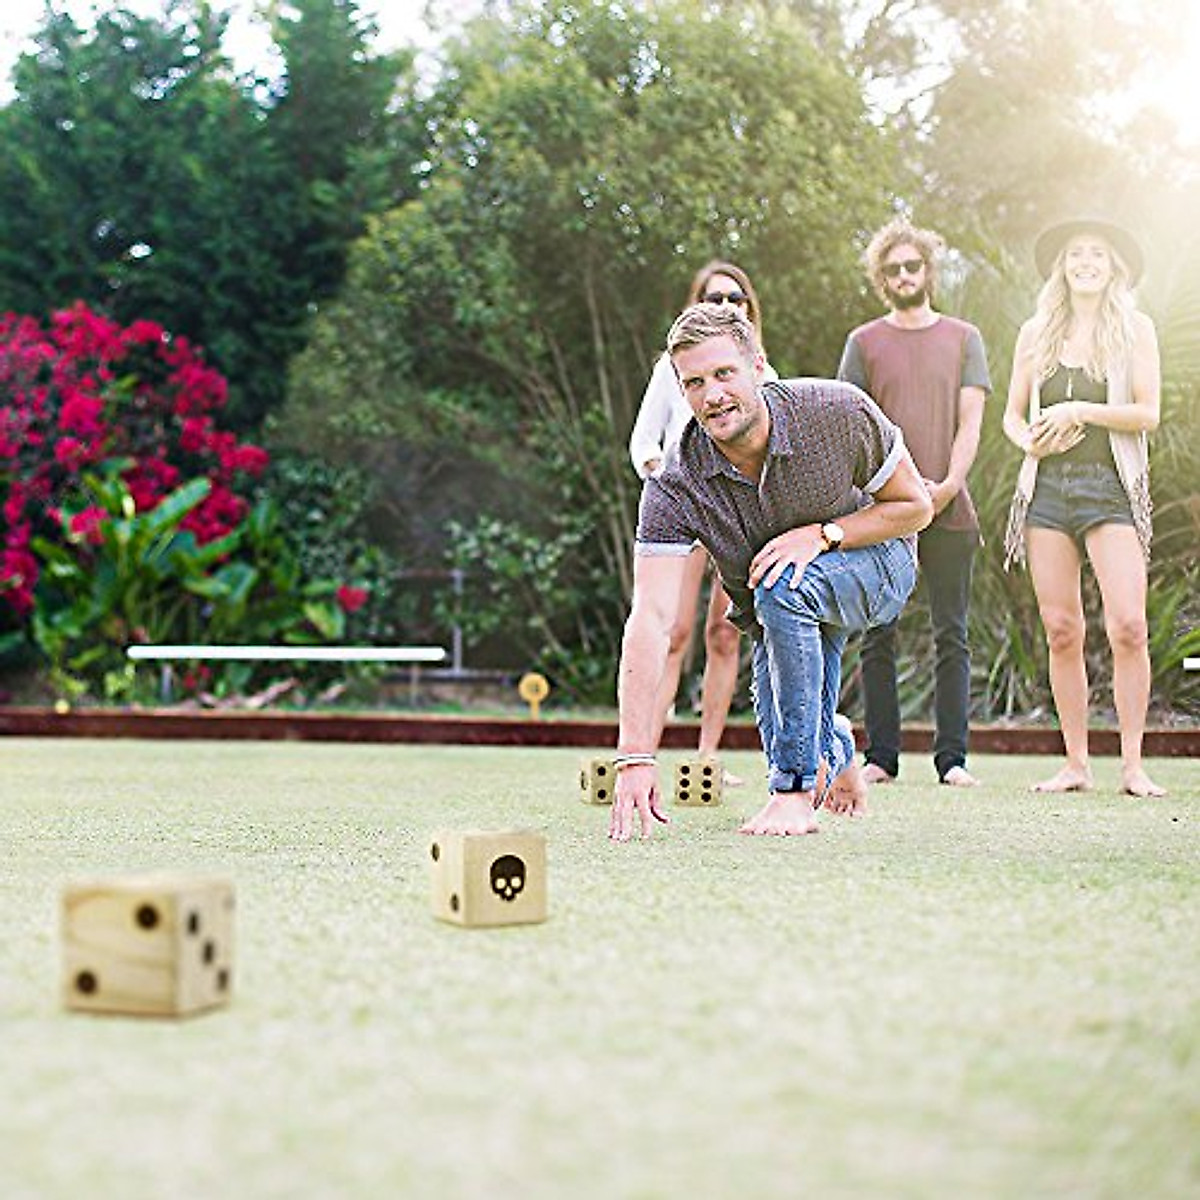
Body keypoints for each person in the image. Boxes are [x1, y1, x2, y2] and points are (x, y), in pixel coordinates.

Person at [609, 303, 934, 841]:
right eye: (694, 383)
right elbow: (651, 617)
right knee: (785, 709)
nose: (711, 395)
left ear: (758, 366)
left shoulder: (836, 411)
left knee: (783, 585)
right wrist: (634, 756)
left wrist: (824, 535)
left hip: (878, 564)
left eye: (723, 374)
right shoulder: (673, 483)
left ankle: (793, 793)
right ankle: (834, 744)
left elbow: (915, 507)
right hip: (776, 608)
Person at [1002, 215, 1165, 797]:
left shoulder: (1135, 329)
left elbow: (1147, 413)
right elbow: (1013, 414)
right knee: (1062, 629)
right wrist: (1028, 440)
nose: (1086, 261)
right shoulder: (1035, 332)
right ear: (1063, 268)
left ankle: (1132, 766)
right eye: (1076, 254)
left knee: (1128, 626)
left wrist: (1080, 413)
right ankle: (1075, 763)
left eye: (1097, 253)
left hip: (1110, 487)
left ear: (1113, 266)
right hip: (1046, 491)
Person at [838, 219, 991, 788]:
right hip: (885, 510)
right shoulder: (863, 343)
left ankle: (953, 760)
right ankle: (881, 757)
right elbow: (850, 424)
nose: (904, 275)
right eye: (893, 269)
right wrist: (890, 495)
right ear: (883, 278)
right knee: (878, 632)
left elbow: (972, 420)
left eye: (913, 265)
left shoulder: (963, 337)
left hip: (950, 507)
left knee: (953, 633)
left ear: (928, 269)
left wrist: (948, 485)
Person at [628, 261, 778, 778]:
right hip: (687, 513)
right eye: (715, 298)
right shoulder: (670, 369)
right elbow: (644, 442)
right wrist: (666, 481)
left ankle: (707, 757)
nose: (726, 306)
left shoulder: (764, 373)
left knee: (725, 633)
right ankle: (642, 748)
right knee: (672, 629)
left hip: (739, 517)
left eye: (736, 299)